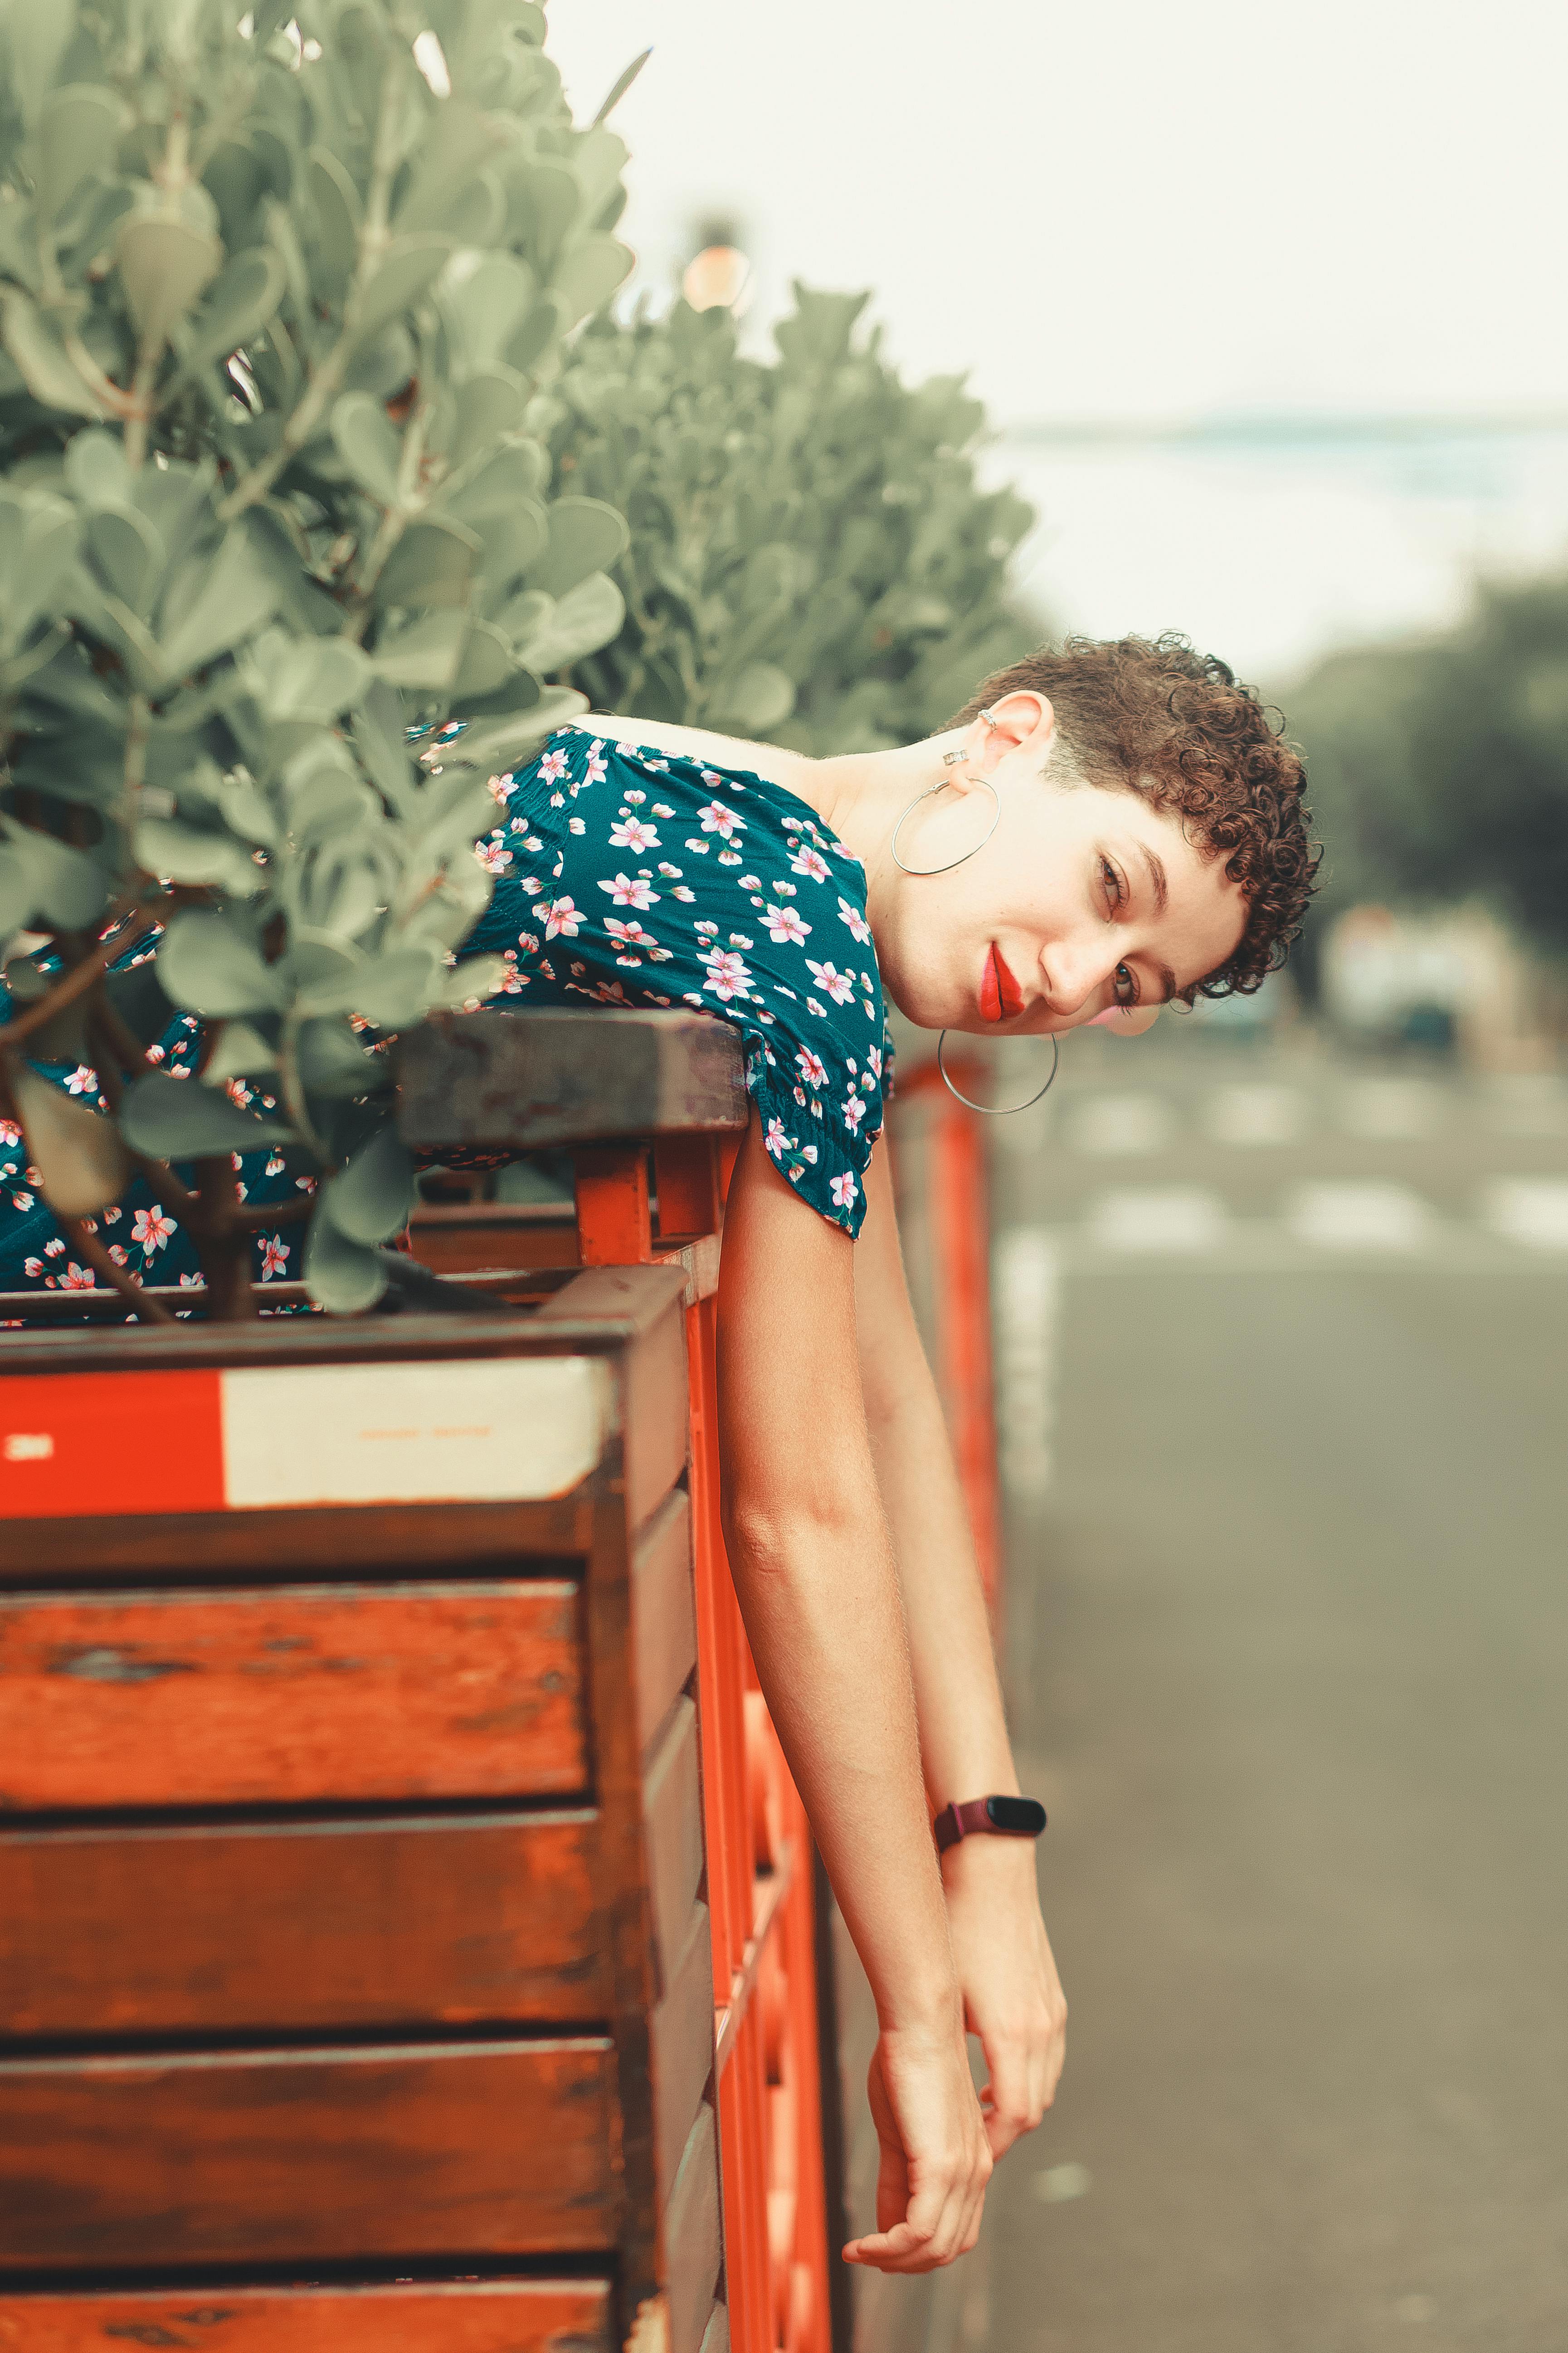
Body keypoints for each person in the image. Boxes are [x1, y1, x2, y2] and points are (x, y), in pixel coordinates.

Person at [0, 633, 1316, 2274]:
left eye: (1131, 984)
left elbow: (887, 1405)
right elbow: (796, 1512)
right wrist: (913, 2004)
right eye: (1108, 887)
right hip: (66, 1289)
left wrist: (991, 1841)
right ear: (1002, 742)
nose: (1069, 977)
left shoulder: (744, 817)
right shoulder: (797, 930)